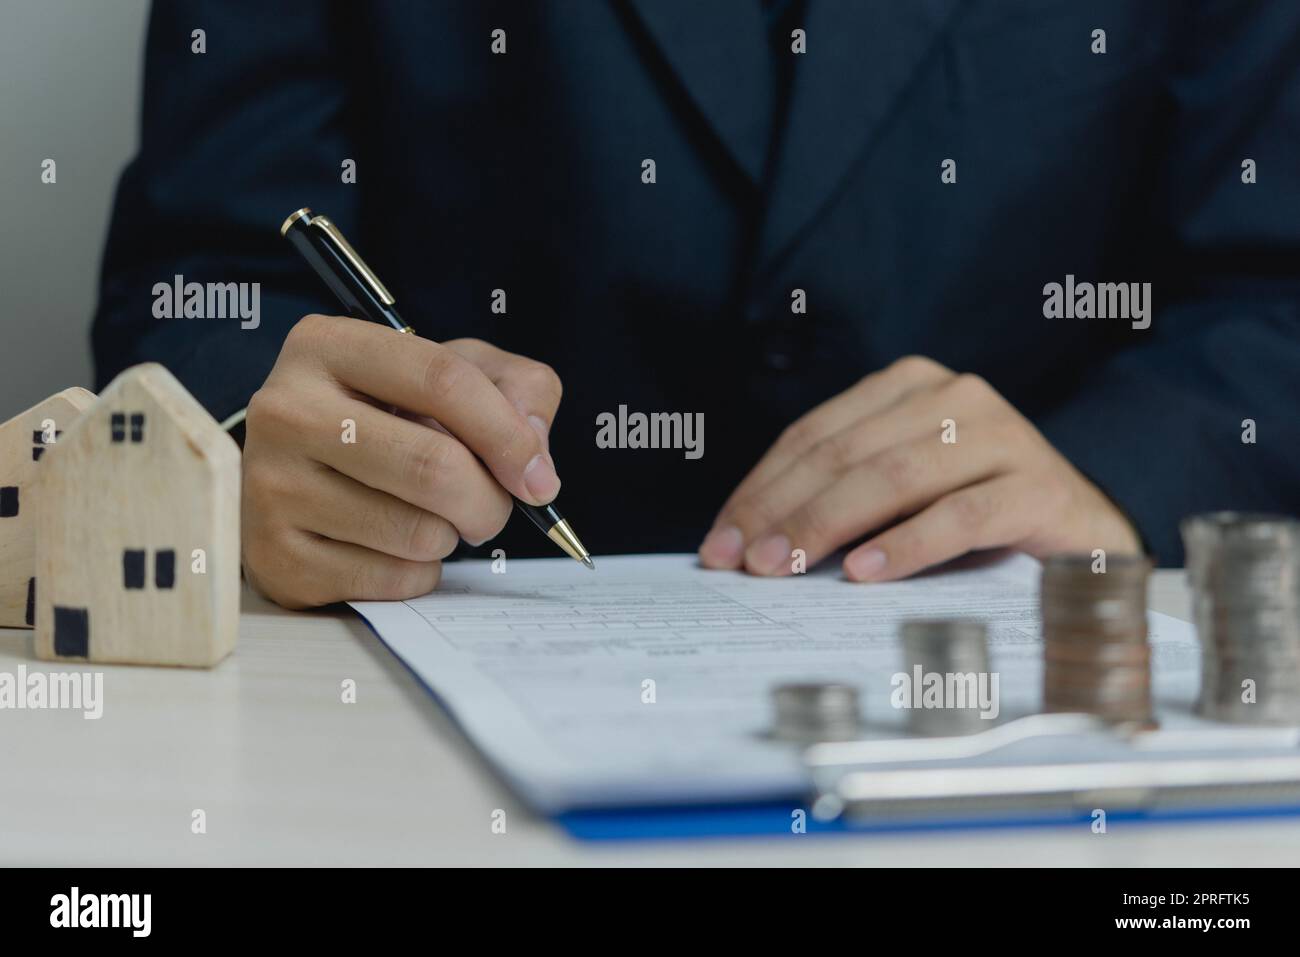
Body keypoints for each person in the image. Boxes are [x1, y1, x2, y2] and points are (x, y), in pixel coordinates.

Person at [93, 1, 1300, 608]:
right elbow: (206, 271)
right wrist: (251, 443)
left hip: (1031, 709)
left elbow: (1273, 288)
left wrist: (1115, 473)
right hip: (414, 685)